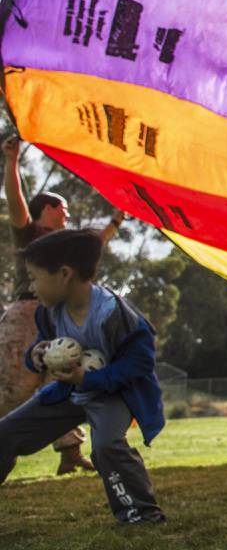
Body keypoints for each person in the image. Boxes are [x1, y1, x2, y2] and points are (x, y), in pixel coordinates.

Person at [0, 230, 165, 522]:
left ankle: (141, 513)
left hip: (113, 395)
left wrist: (89, 380)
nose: (31, 287)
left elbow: (141, 361)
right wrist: (37, 356)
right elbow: (44, 345)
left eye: (34, 277)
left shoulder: (114, 314)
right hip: (69, 394)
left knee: (106, 447)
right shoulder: (49, 312)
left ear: (64, 274)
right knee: (5, 433)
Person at [2, 136, 123, 476]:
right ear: (47, 210)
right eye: (62, 207)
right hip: (25, 315)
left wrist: (115, 222)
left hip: (56, 317)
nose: (67, 212)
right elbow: (15, 203)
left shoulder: (68, 245)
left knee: (61, 378)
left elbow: (93, 245)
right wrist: (11, 162)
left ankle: (70, 454)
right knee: (14, 389)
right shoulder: (29, 234)